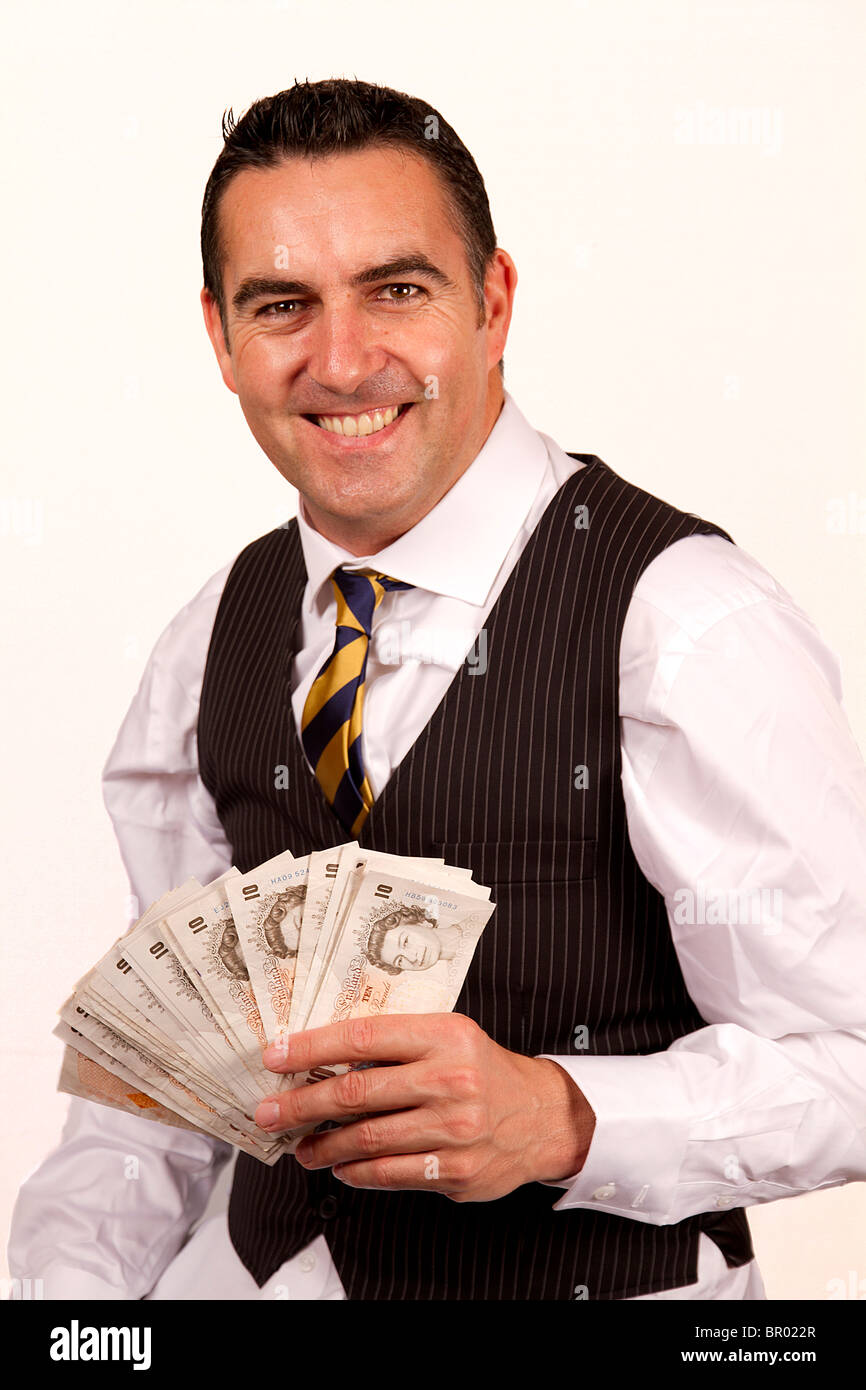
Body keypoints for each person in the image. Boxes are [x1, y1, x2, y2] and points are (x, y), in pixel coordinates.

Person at [8, 77, 866, 1302]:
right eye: (282, 304)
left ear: (493, 302)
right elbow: (161, 1086)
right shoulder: (209, 639)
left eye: (397, 289)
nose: (342, 359)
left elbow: (852, 1058)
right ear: (220, 338)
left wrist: (567, 1114)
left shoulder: (681, 622)